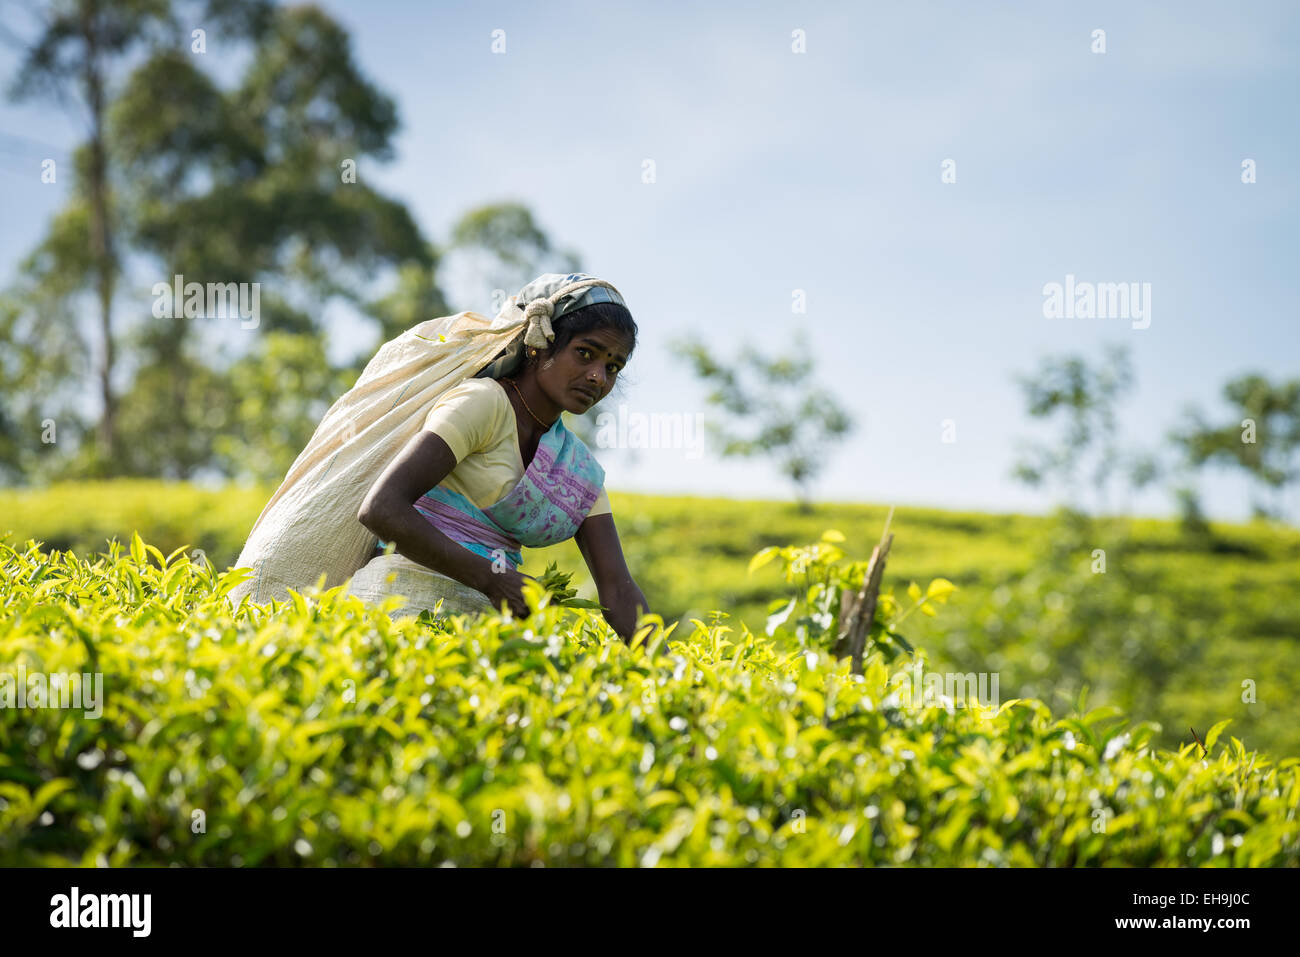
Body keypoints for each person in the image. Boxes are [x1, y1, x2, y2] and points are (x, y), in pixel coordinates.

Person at [348, 273, 653, 646]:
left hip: (480, 636)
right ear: (541, 343)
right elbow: (381, 508)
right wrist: (493, 579)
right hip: (393, 609)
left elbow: (618, 591)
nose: (597, 377)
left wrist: (673, 670)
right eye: (585, 353)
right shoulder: (484, 404)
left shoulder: (576, 467)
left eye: (612, 367)